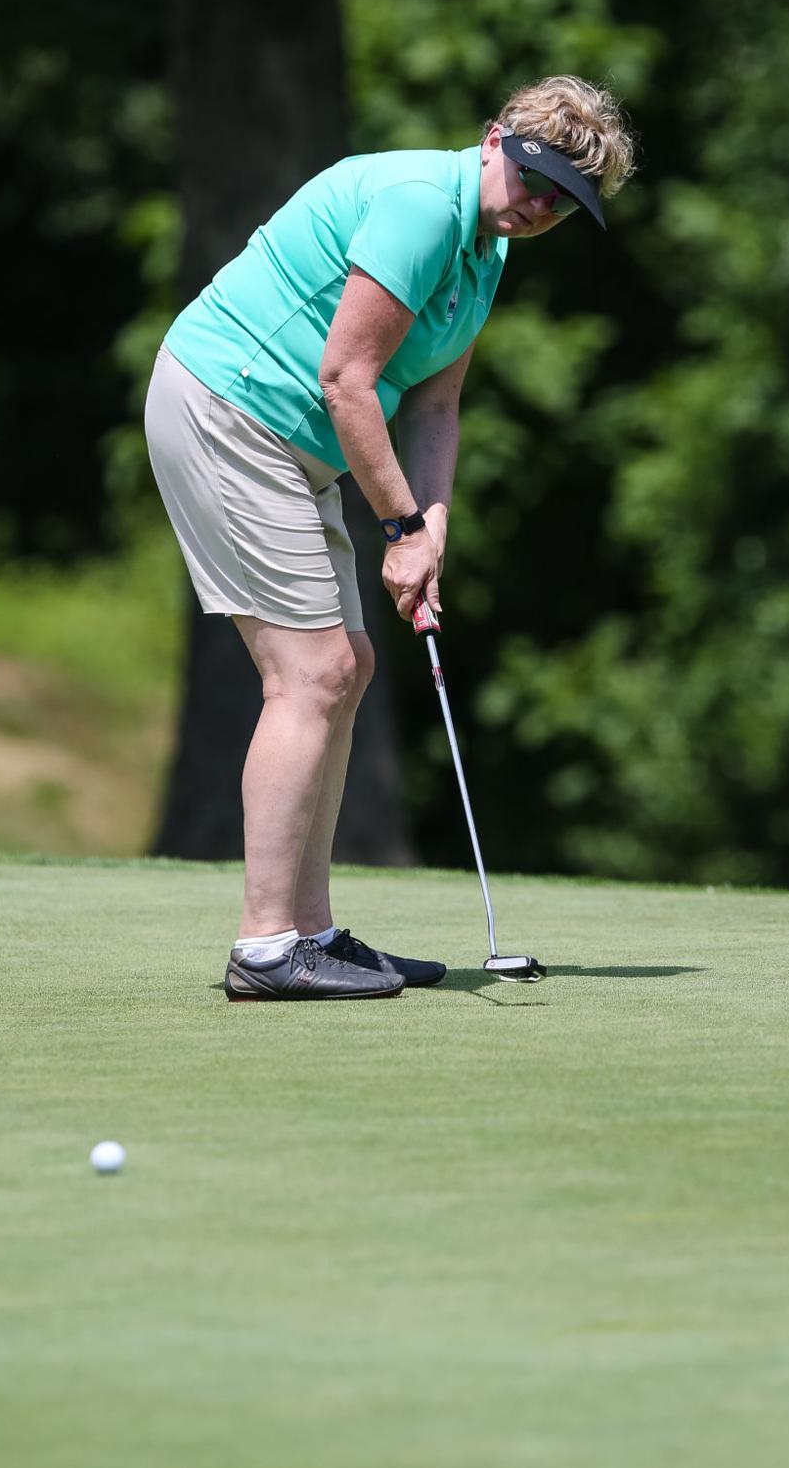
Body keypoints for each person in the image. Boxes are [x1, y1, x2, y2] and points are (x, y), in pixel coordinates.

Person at [145, 75, 636, 1001]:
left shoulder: (486, 256)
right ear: (495, 141)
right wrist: (401, 525)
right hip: (229, 409)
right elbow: (347, 379)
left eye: (563, 204)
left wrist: (432, 527)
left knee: (351, 665)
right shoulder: (419, 208)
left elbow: (437, 403)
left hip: (299, 447)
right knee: (311, 672)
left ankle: (312, 930)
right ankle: (264, 947)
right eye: (533, 179)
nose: (537, 208)